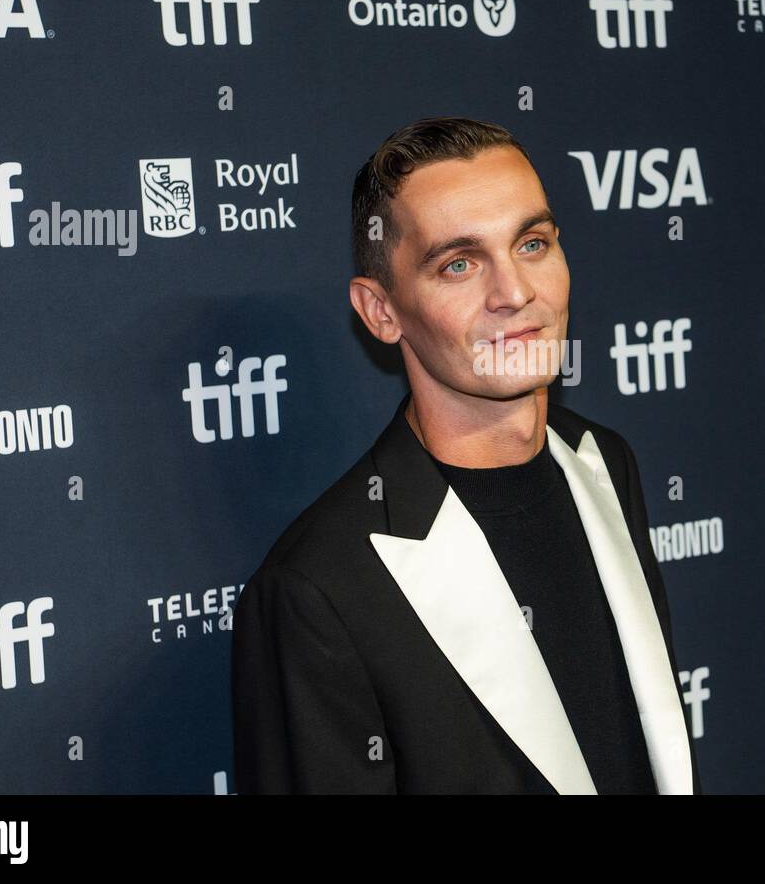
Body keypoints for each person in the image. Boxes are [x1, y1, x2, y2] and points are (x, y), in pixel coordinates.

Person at [231, 115, 699, 793]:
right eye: (459, 263)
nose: (515, 293)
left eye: (532, 243)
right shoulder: (315, 590)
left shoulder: (605, 464)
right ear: (381, 312)